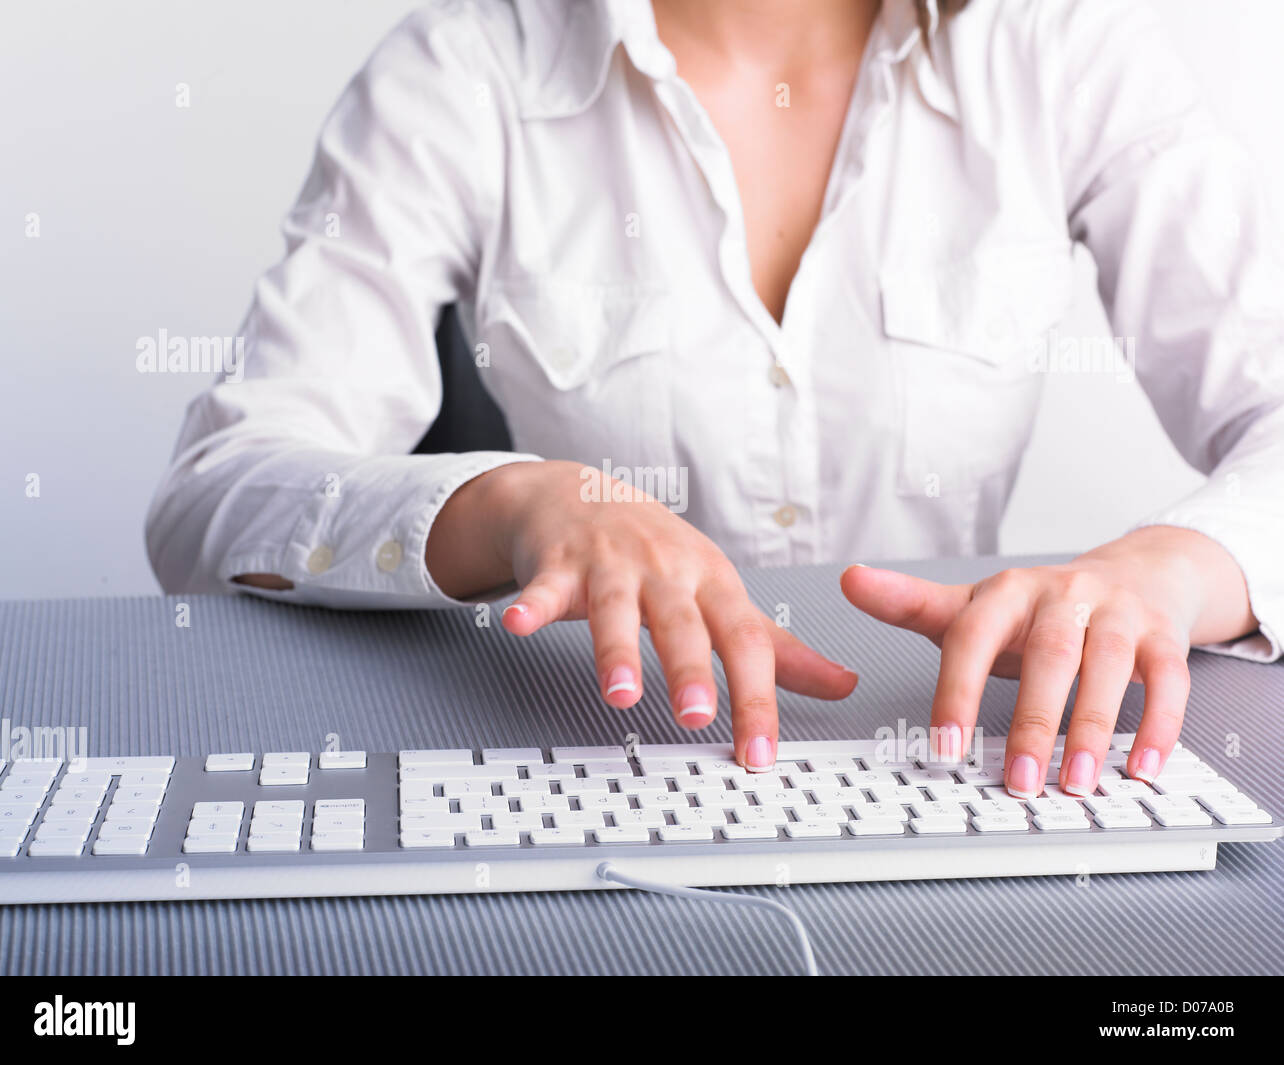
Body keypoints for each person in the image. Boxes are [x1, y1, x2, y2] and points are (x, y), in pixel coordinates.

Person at [146, 0, 1284, 797]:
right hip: (608, 758)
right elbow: (218, 495)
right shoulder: (462, 72)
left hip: (966, 761)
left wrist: (1176, 567)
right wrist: (514, 506)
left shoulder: (1063, 46)